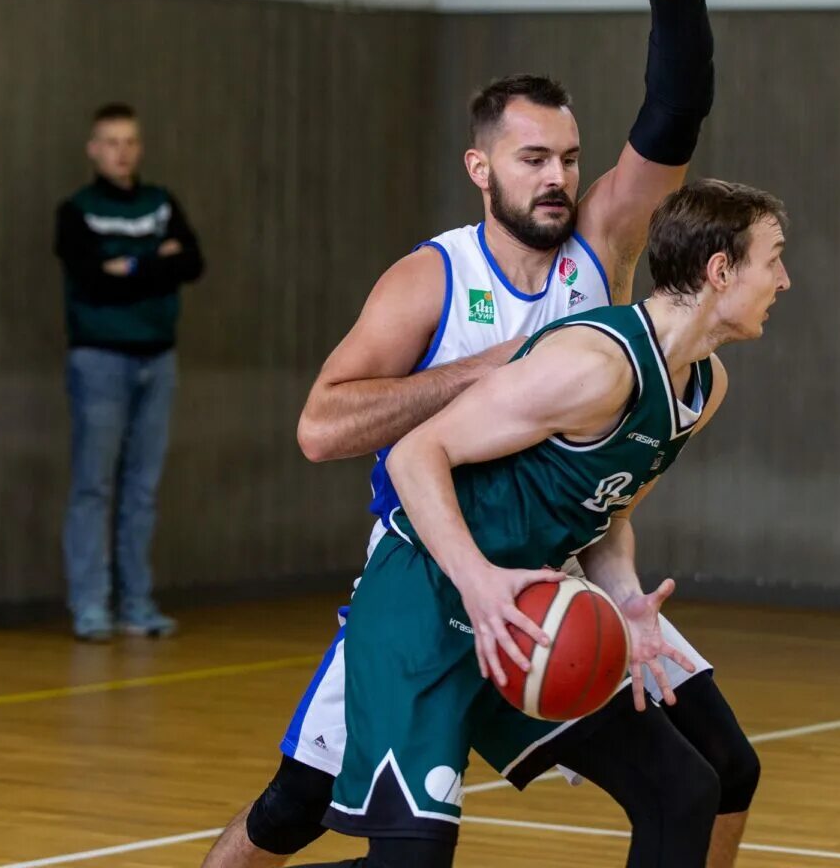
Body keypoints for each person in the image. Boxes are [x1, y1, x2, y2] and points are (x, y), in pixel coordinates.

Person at [202, 0, 759, 868]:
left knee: (717, 763)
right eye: (532, 158)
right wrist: (487, 368)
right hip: (432, 563)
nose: (557, 176)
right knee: (294, 807)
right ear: (482, 169)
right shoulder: (432, 280)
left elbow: (671, 122)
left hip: (558, 567)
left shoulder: (600, 248)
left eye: (568, 157)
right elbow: (321, 428)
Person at [303, 178, 789, 868]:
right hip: (426, 599)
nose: (784, 279)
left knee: (683, 790)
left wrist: (625, 595)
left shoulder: (701, 388)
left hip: (524, 612)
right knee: (409, 862)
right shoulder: (593, 367)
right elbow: (417, 455)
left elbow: (604, 512)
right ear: (720, 271)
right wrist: (477, 581)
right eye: (773, 259)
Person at [54, 102, 204, 642]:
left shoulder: (161, 203)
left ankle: (135, 602)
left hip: (158, 358)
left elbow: (191, 263)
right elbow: (93, 282)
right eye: (111, 142)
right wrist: (153, 263)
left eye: (130, 142)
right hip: (99, 360)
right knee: (94, 485)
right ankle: (90, 604)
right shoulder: (77, 211)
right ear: (94, 149)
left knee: (142, 487)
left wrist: (130, 265)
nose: (121, 152)